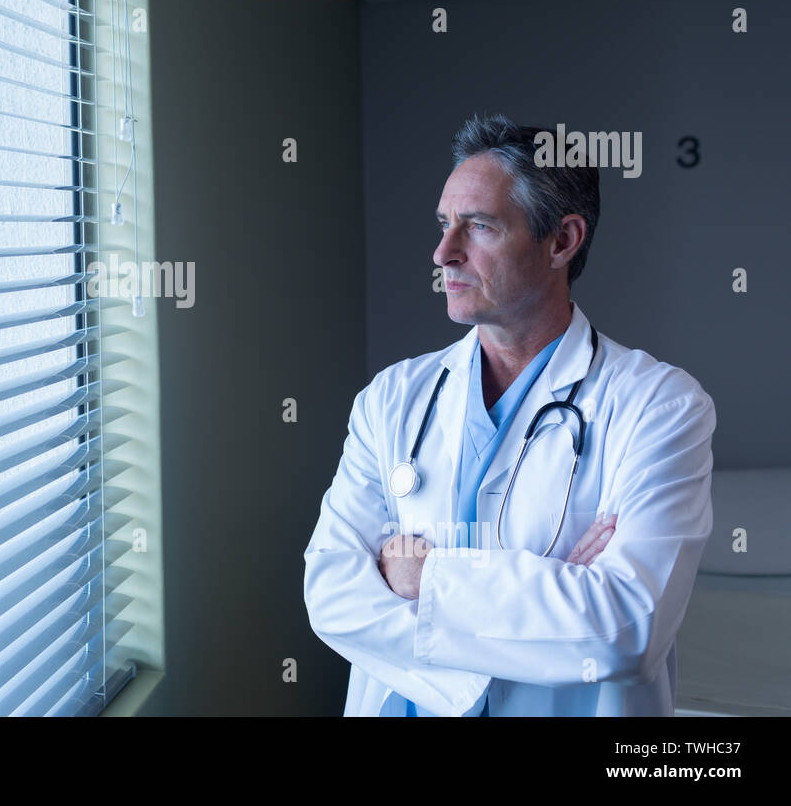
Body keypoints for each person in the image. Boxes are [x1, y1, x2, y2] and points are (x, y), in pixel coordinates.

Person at [303, 113, 716, 716]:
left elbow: (626, 630)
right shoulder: (391, 398)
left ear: (562, 241)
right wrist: (550, 595)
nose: (443, 252)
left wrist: (425, 579)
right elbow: (331, 593)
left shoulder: (658, 406)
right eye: (446, 225)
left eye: (479, 227)